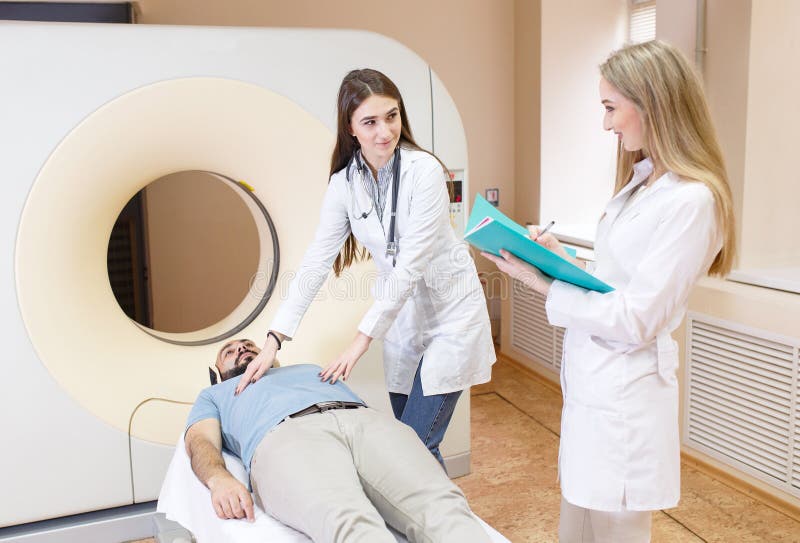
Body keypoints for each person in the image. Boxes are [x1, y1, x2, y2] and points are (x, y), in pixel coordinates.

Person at [483, 40, 736, 542]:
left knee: (615, 529)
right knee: (576, 526)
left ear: (652, 103)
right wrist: (560, 259)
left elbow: (638, 317)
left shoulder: (693, 201)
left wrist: (543, 282)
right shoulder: (643, 182)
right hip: (594, 391)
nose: (606, 124)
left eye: (610, 108)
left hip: (626, 405)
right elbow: (618, 277)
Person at [236, 68, 496, 469]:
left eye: (391, 117)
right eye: (370, 122)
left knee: (412, 447)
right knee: (417, 446)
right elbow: (316, 261)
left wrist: (359, 342)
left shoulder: (424, 171)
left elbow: (410, 265)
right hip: (403, 322)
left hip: (452, 318)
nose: (384, 132)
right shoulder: (344, 184)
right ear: (351, 128)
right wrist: (274, 339)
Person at [185, 338, 492, 543]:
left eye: (248, 345)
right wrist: (218, 479)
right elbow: (200, 440)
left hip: (364, 421)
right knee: (350, 521)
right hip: (285, 437)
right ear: (218, 373)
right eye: (230, 352)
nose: (241, 350)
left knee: (443, 505)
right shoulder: (215, 395)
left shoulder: (308, 370)